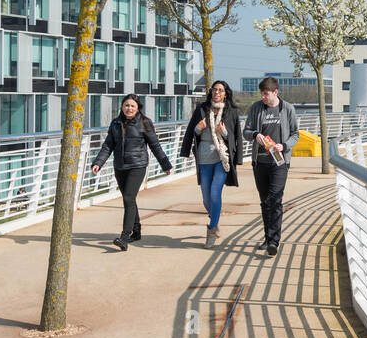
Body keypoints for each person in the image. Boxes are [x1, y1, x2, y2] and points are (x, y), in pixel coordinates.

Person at [92, 94, 172, 251]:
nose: (129, 108)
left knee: (128, 198)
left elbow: (155, 145)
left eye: (132, 106)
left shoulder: (145, 123)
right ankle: (136, 231)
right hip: (120, 166)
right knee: (129, 199)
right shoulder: (115, 123)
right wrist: (98, 163)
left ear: (138, 108)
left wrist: (165, 164)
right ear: (122, 107)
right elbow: (108, 145)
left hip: (138, 165)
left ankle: (124, 236)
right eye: (126, 105)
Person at [180, 80, 244, 249]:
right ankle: (215, 223)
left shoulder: (232, 112)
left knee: (216, 193)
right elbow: (191, 132)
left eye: (220, 90)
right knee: (207, 199)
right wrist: (198, 129)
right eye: (214, 89)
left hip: (222, 157)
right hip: (204, 156)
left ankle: (210, 230)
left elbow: (236, 136)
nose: (217, 92)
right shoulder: (201, 109)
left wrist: (223, 132)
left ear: (225, 94)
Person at [244, 76, 299, 256]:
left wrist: (284, 146)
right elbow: (246, 131)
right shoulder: (256, 108)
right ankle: (268, 238)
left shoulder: (288, 109)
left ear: (275, 92)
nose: (263, 97)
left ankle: (274, 241)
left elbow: (295, 134)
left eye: (266, 94)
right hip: (260, 161)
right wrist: (254, 135)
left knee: (275, 199)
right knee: (265, 201)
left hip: (280, 162)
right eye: (262, 94)